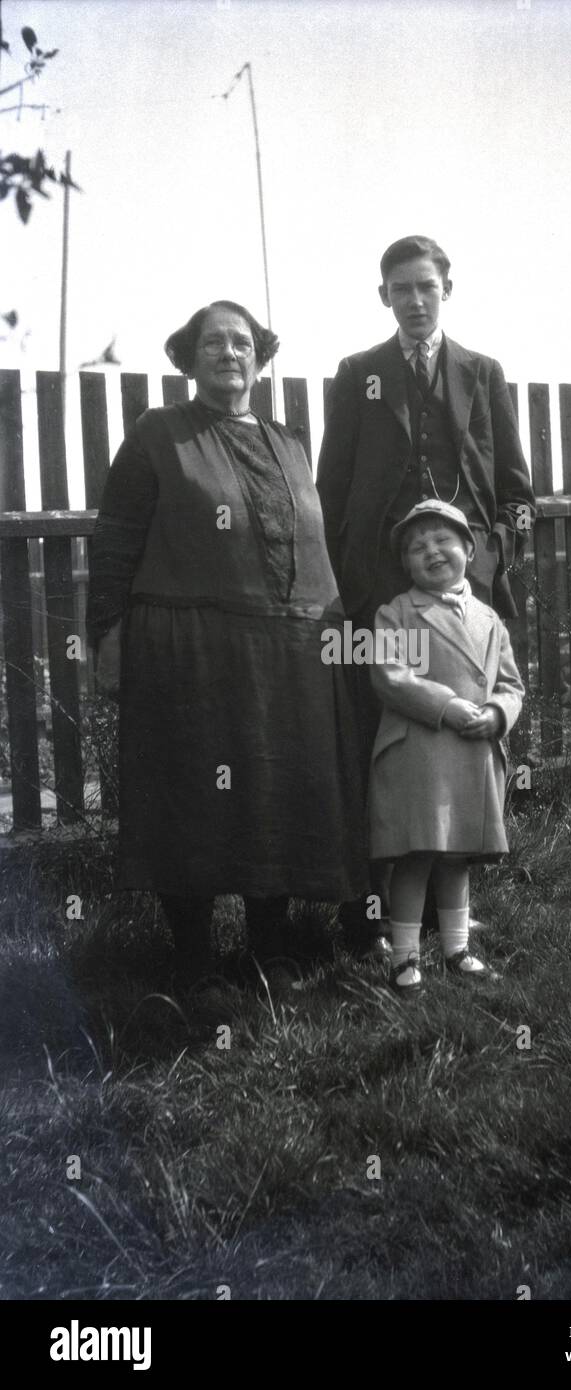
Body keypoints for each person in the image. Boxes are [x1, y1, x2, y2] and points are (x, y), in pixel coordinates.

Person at [86, 299, 366, 989]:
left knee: (273, 793)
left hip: (287, 656)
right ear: (187, 357)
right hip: (190, 650)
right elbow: (117, 542)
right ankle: (193, 961)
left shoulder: (289, 442)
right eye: (213, 343)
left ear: (260, 357)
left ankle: (268, 951)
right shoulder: (158, 435)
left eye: (243, 342)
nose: (230, 353)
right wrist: (106, 638)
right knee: (193, 796)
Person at [317, 234, 534, 955]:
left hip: (466, 594)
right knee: (386, 745)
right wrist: (352, 584)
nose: (414, 300)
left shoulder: (483, 372)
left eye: (426, 287)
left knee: (464, 744)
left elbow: (516, 489)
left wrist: (495, 556)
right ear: (384, 296)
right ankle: (371, 914)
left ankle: (452, 917)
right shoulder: (359, 375)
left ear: (448, 288)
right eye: (400, 288)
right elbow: (332, 488)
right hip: (384, 593)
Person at [368, 500, 525, 995]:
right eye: (417, 548)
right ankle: (405, 958)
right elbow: (391, 676)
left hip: (473, 753)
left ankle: (458, 948)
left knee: (457, 856)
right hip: (421, 751)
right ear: (406, 563)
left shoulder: (489, 619)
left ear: (468, 549)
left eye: (443, 542)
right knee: (417, 855)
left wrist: (498, 713)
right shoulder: (396, 613)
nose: (431, 552)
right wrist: (448, 706)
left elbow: (511, 684)